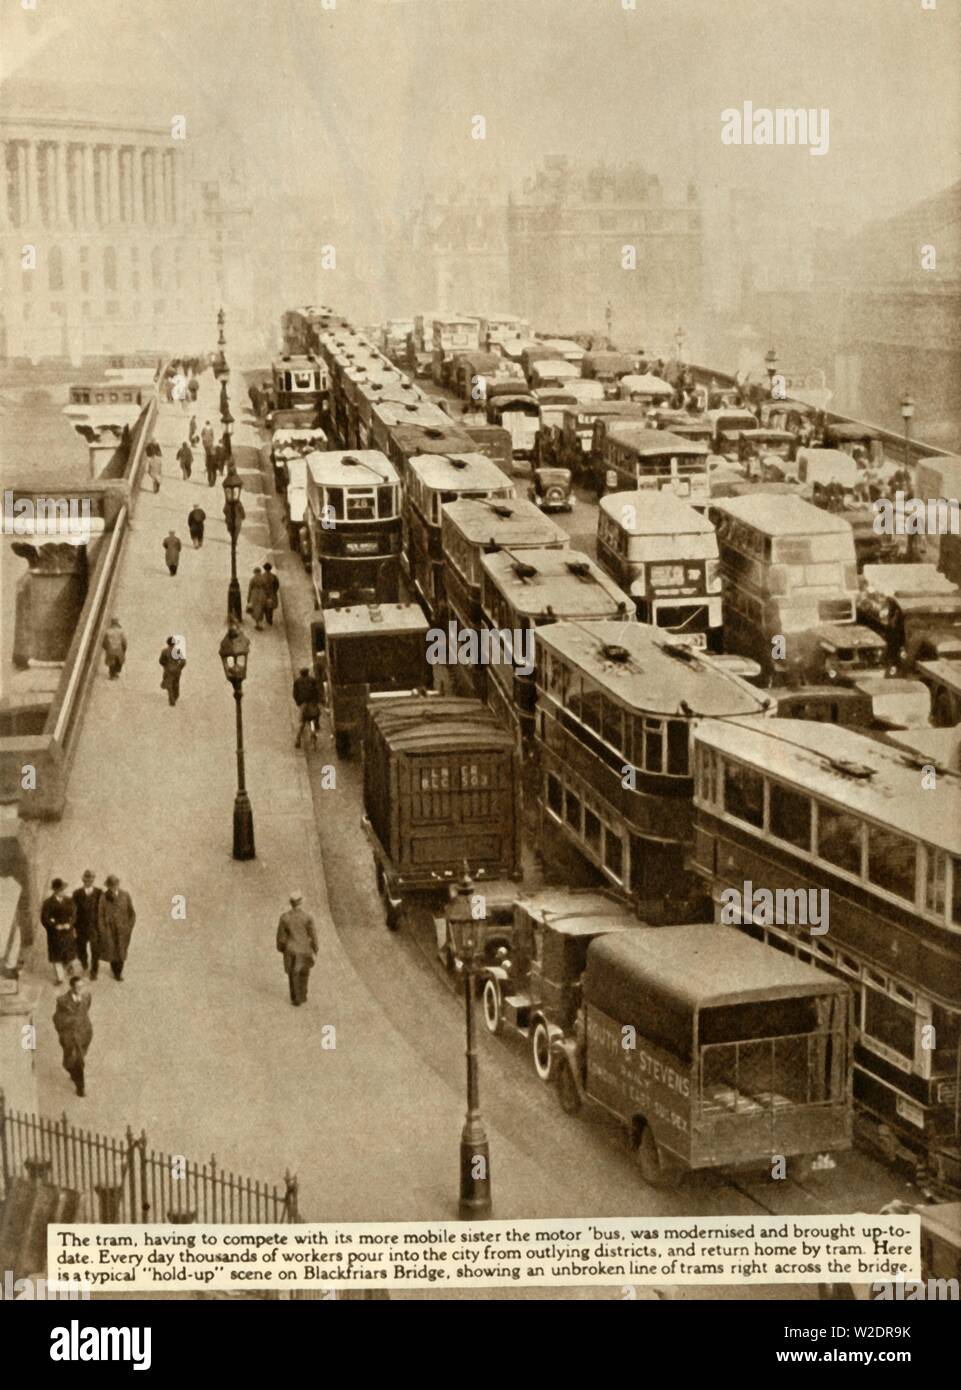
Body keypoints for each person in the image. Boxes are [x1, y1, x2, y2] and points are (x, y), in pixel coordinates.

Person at [53, 971, 92, 1096]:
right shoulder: (62, 1001)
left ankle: (74, 1073)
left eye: (82, 986)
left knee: (78, 1058)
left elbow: (86, 1010)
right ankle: (80, 1087)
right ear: (72, 987)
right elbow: (57, 1018)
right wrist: (68, 1025)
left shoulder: (87, 996)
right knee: (77, 1061)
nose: (81, 989)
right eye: (78, 987)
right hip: (70, 1036)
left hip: (84, 1033)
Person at [275, 892, 318, 1005]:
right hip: (304, 949)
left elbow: (281, 937)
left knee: (292, 973)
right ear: (301, 902)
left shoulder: (285, 917)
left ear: (291, 903)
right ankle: (302, 995)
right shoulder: (308, 917)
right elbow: (313, 935)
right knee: (304, 973)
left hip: (290, 948)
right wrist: (315, 948)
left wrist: (281, 948)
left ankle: (295, 997)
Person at [93, 875, 136, 981]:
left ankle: (119, 972)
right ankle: (115, 970)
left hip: (123, 929)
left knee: (121, 949)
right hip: (109, 929)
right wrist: (103, 929)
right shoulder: (104, 897)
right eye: (111, 885)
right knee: (112, 950)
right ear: (108, 886)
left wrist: (129, 926)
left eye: (115, 884)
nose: (114, 887)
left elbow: (132, 913)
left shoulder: (125, 895)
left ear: (118, 884)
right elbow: (100, 915)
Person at [41, 878, 78, 984]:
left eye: (64, 890)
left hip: (67, 932)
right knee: (56, 956)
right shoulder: (48, 903)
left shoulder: (69, 900)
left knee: (68, 953)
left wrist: (70, 924)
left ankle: (68, 965)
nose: (63, 892)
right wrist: (54, 926)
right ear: (55, 891)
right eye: (61, 890)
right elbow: (44, 919)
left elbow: (74, 914)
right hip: (55, 934)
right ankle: (60, 978)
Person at [71, 870, 101, 972]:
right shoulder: (76, 893)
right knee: (81, 949)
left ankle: (94, 970)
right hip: (81, 927)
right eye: (86, 879)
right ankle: (84, 963)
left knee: (95, 950)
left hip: (95, 927)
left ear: (93, 880)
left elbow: (103, 910)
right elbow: (73, 911)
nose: (88, 881)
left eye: (91, 879)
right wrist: (73, 927)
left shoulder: (99, 893)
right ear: (83, 880)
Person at [293, 667, 322, 749]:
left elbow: (295, 694)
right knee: (313, 720)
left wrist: (299, 703)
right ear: (308, 672)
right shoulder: (312, 680)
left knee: (302, 723)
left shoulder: (297, 682)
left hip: (303, 705)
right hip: (312, 704)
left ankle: (298, 739)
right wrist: (316, 702)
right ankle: (313, 736)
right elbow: (317, 692)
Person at [159, 636, 186, 706]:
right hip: (177, 671)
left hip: (168, 670)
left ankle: (171, 698)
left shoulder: (164, 651)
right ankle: (175, 697)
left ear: (167, 643)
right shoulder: (177, 651)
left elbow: (161, 661)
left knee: (169, 685)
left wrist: (165, 666)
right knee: (176, 684)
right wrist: (179, 668)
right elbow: (183, 661)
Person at [262, 562, 280, 627]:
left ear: (264, 569)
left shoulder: (262, 576)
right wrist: (274, 591)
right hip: (272, 594)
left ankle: (267, 618)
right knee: (271, 607)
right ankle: (270, 619)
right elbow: (277, 585)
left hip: (264, 594)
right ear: (270, 569)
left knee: (265, 607)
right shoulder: (274, 576)